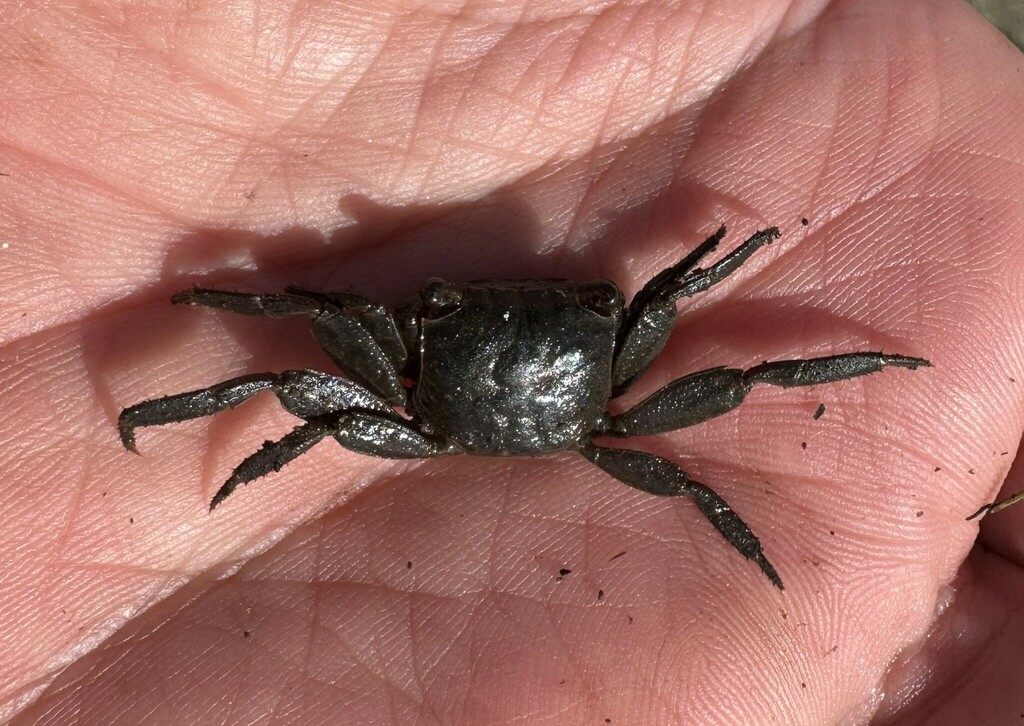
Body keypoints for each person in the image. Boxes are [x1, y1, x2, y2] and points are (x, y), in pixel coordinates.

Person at [2, 1, 1023, 723]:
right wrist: (731, 259)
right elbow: (675, 307)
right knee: (740, 388)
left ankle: (194, 412)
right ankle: (814, 458)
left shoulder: (403, 366)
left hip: (430, 426)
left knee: (295, 388)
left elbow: (310, 337)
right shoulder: (623, 380)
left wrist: (242, 306)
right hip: (592, 429)